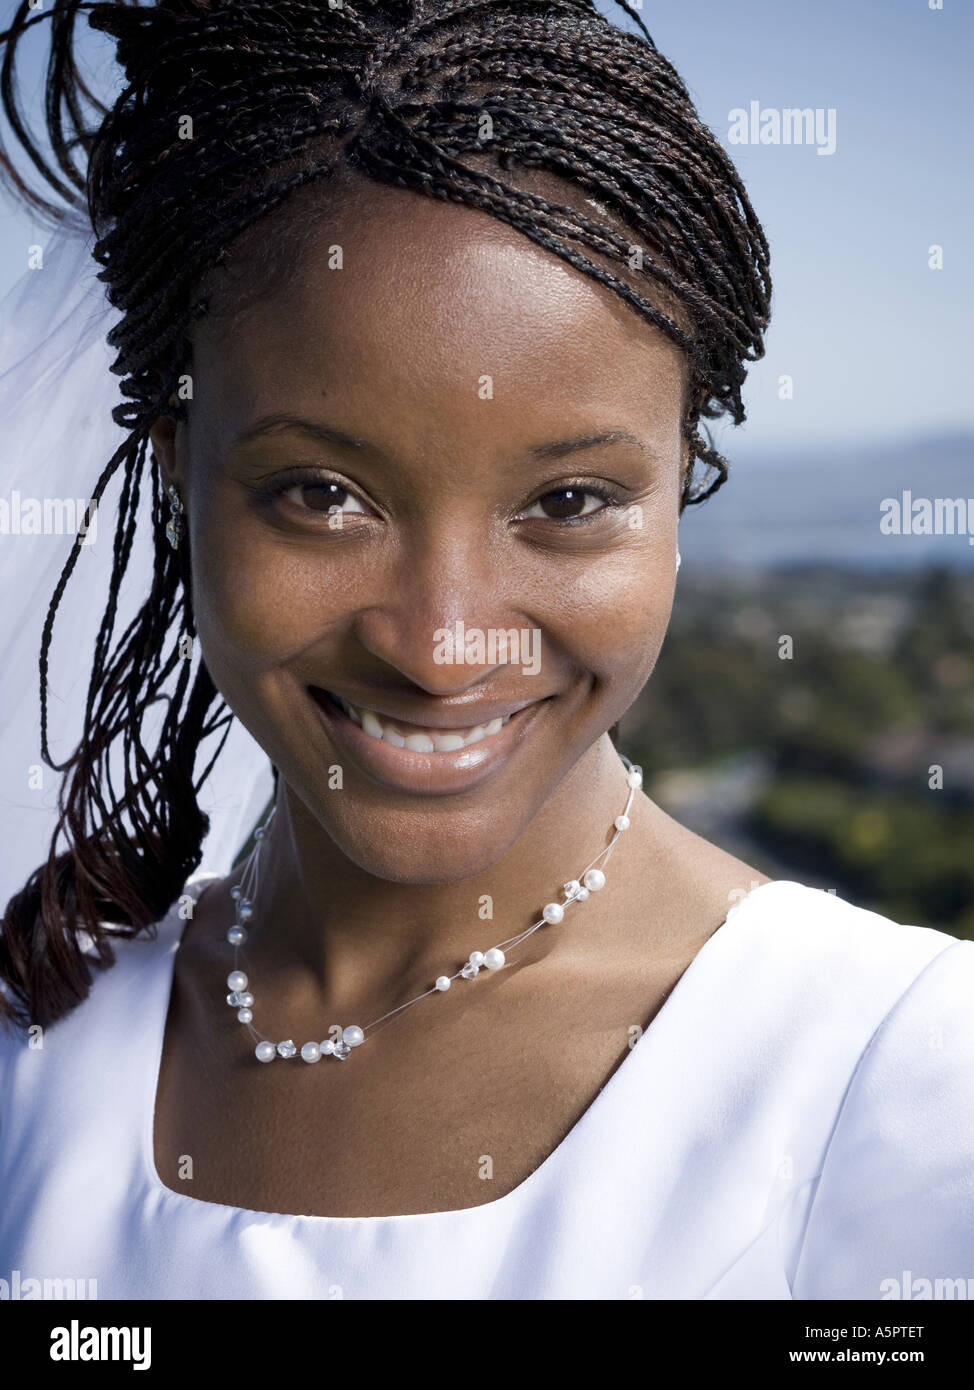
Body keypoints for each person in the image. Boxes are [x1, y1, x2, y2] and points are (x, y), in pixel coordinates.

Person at [0, 0, 971, 1302]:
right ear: (182, 473)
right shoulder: (41, 1043)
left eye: (566, 502)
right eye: (322, 493)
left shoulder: (904, 1084)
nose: (442, 641)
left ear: (681, 488)